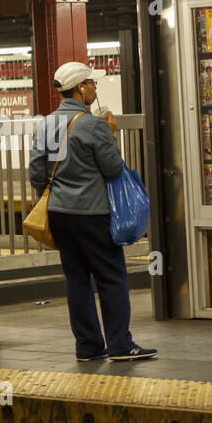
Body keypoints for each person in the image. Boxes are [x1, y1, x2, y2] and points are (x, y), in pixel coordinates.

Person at [29, 61, 157, 363]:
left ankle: (88, 346)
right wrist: (110, 133)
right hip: (92, 214)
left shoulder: (46, 124)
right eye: (92, 83)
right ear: (80, 88)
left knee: (76, 279)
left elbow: (36, 173)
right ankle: (120, 345)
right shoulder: (93, 125)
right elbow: (112, 169)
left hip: (59, 213)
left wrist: (55, 195)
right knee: (111, 276)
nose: (95, 88)